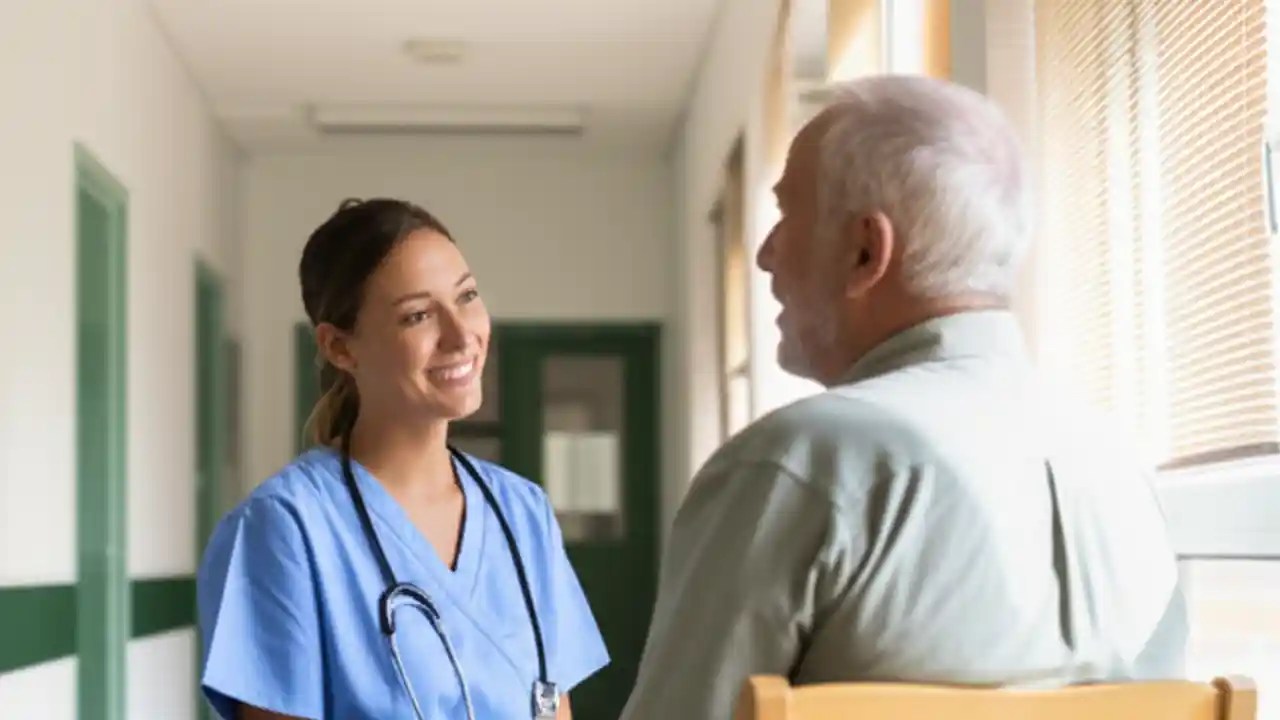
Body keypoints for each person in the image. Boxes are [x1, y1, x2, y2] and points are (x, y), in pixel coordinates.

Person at [620, 75, 1187, 719]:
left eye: (785, 216)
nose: (766, 255)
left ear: (866, 251)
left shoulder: (797, 462)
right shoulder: (1123, 466)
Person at [196, 198, 608, 720]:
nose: (461, 336)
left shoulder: (522, 513)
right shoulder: (285, 529)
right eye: (418, 315)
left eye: (467, 296)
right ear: (340, 348)